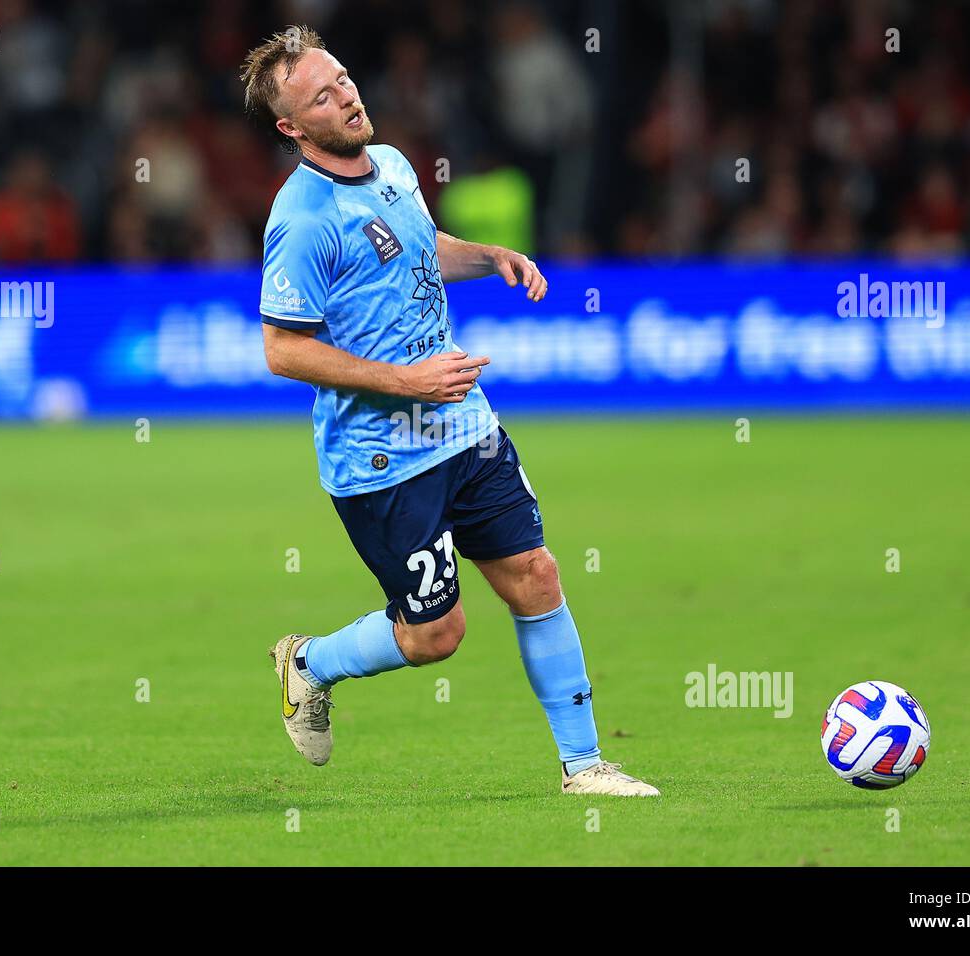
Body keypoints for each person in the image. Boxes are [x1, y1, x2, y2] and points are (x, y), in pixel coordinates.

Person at [240, 26, 657, 796]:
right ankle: (308, 663)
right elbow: (282, 349)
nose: (347, 97)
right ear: (292, 128)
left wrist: (491, 256)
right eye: (322, 97)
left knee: (536, 574)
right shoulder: (300, 219)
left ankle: (585, 764)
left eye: (343, 79)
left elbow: (422, 247)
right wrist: (406, 382)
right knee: (437, 634)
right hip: (380, 457)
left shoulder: (393, 163)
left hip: (464, 425)